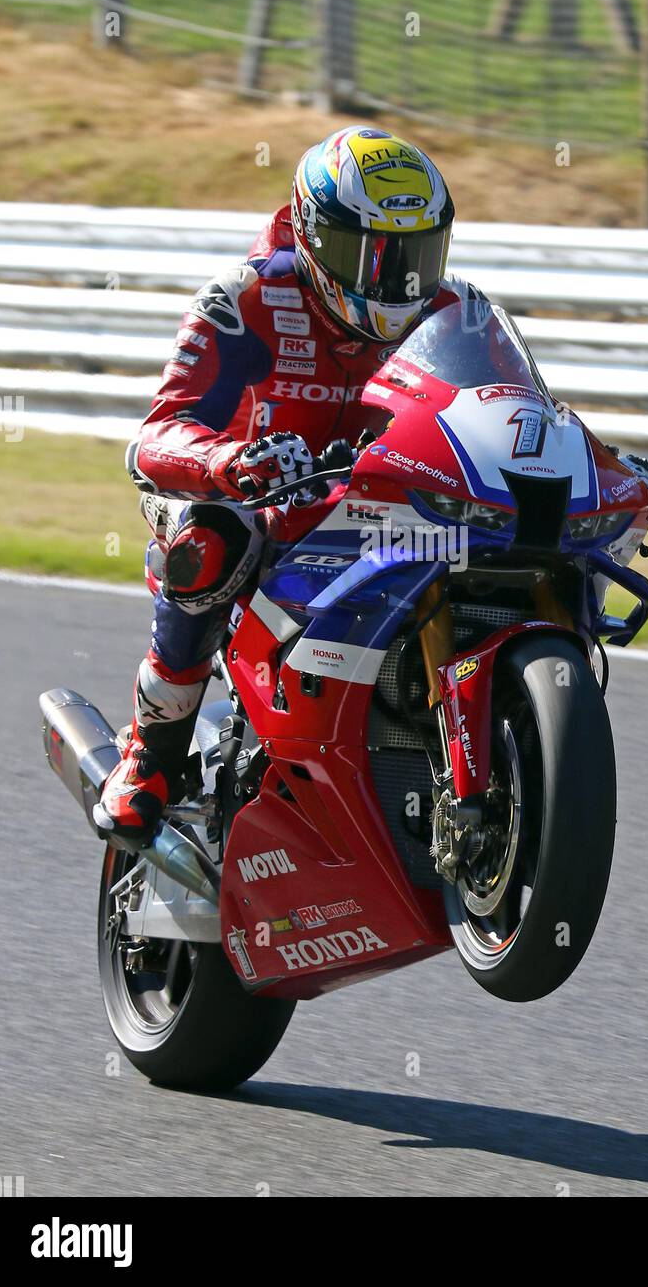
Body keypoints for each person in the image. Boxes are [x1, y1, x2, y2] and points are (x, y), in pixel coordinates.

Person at [95, 125, 459, 843]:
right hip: (249, 504)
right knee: (212, 535)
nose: (398, 283)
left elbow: (506, 410)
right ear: (317, 239)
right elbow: (154, 436)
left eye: (417, 257)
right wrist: (232, 463)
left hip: (369, 507)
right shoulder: (247, 298)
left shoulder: (451, 314)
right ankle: (151, 753)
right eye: (374, 256)